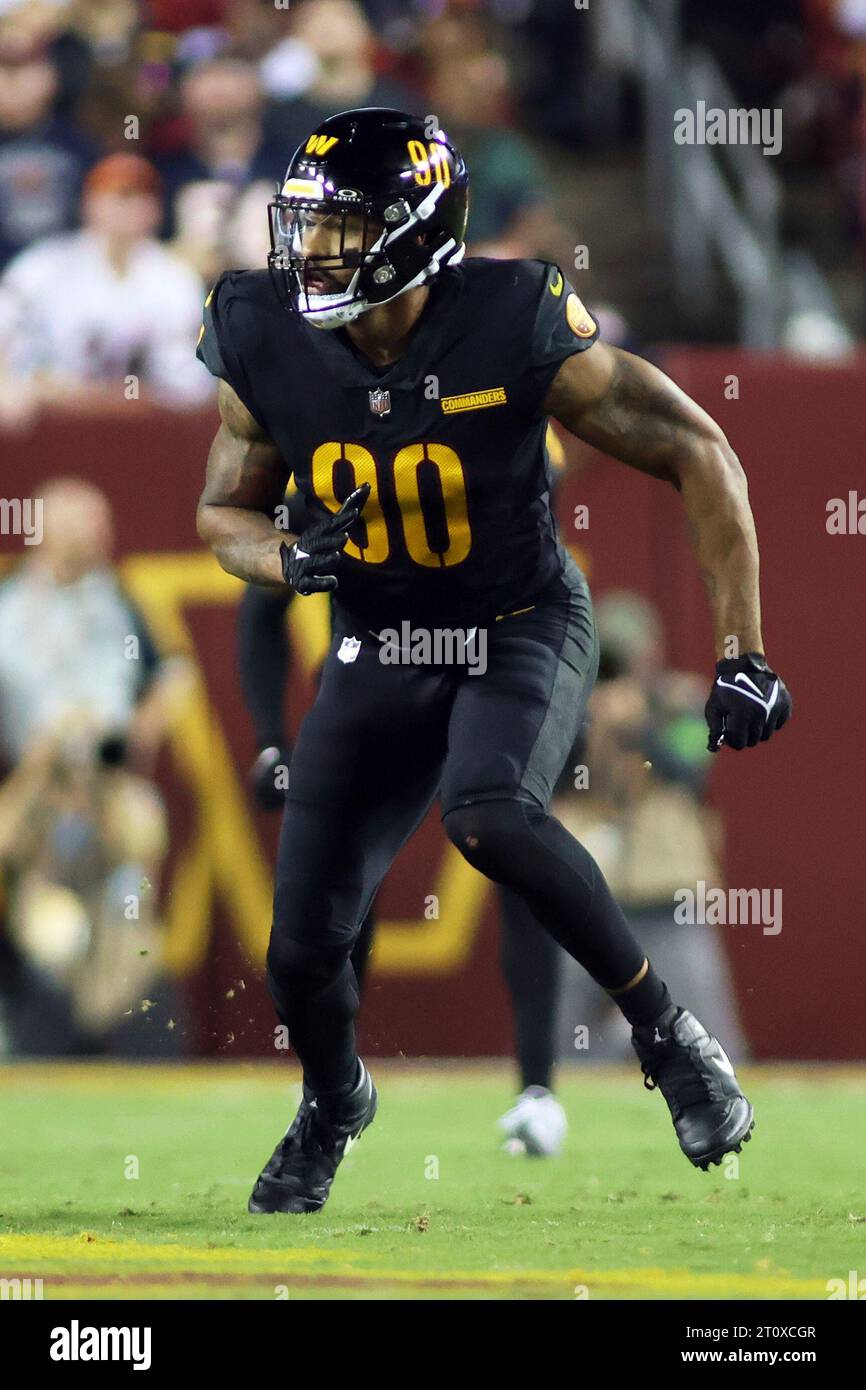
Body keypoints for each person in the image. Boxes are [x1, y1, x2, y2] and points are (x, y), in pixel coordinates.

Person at [195, 108, 792, 1215]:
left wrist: (741, 649)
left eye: (341, 227)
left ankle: (667, 1039)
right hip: (375, 643)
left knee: (489, 812)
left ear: (416, 231)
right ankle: (334, 1101)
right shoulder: (262, 331)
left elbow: (695, 450)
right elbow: (219, 509)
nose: (310, 250)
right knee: (299, 951)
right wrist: (279, 554)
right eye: (307, 225)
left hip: (515, 618)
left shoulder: (510, 319)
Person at [0, 478, 189, 1054]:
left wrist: (139, 733)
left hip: (111, 786)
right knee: (48, 926)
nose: (102, 533)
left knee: (136, 855)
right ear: (47, 530)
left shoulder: (118, 601)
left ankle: (125, 1020)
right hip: (39, 789)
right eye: (87, 520)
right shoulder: (10, 611)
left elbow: (175, 676)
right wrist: (41, 761)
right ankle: (37, 1014)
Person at [0, 152, 213, 416]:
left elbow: (192, 381)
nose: (128, 208)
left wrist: (122, 397)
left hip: (145, 425)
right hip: (55, 421)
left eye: (141, 197)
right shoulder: (40, 267)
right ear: (88, 202)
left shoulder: (176, 278)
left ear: (156, 209)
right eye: (119, 196)